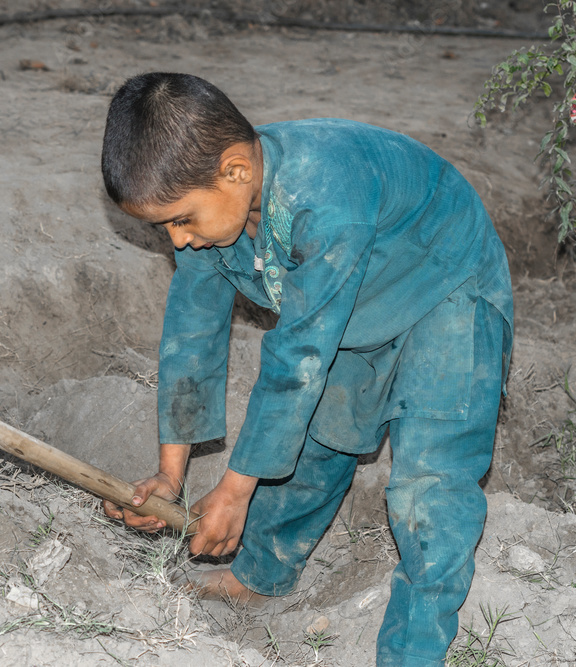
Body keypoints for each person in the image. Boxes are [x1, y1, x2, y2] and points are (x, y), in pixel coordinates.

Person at [99, 72, 512, 667]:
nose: (178, 240)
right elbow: (191, 335)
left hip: (446, 281)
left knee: (431, 483)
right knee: (317, 439)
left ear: (236, 172)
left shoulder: (325, 198)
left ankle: (413, 651)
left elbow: (299, 357)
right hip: (358, 296)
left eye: (182, 220)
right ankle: (261, 576)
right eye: (162, 227)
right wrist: (170, 475)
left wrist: (236, 490)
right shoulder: (216, 212)